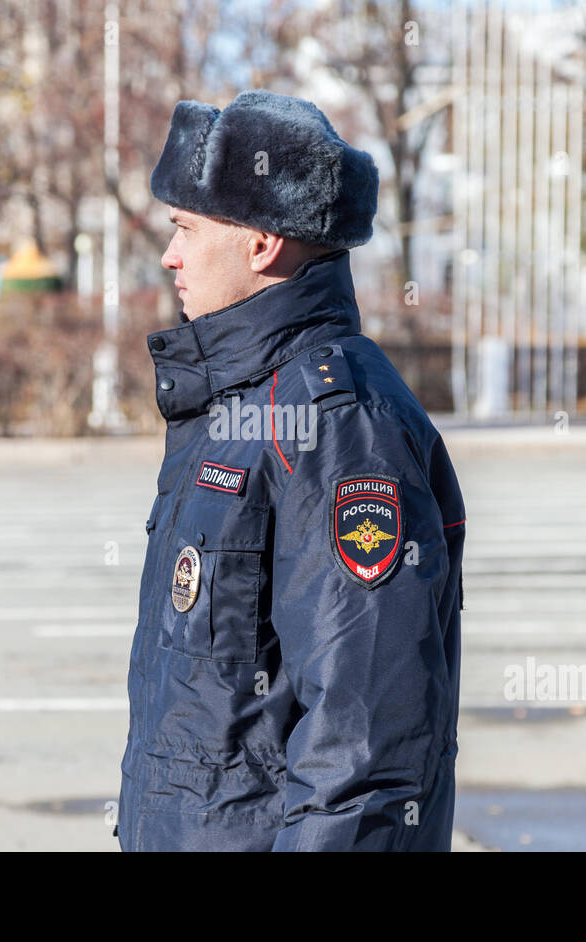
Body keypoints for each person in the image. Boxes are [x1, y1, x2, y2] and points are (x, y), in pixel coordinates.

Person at [117, 89, 465, 851]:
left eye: (186, 228)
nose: (171, 255)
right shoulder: (241, 404)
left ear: (262, 243)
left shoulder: (338, 425)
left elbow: (364, 744)